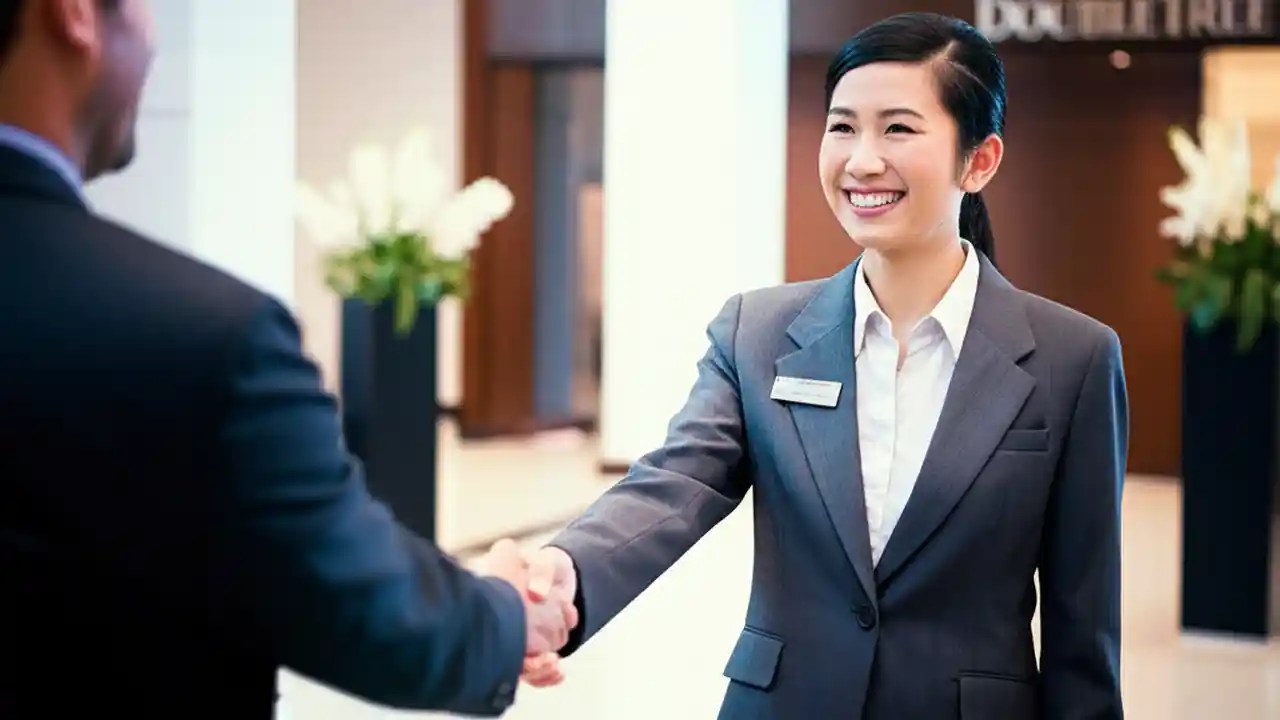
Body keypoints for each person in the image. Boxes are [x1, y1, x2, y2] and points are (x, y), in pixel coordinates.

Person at [516, 12, 1128, 720]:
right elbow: (673, 484)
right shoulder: (759, 332)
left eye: (898, 128)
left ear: (979, 160)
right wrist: (566, 574)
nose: (862, 159)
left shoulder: (1072, 358)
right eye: (842, 126)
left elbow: (1085, 633)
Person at [0, 0, 575, 716]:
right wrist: (508, 613)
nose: (155, 45)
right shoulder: (200, 337)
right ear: (75, 14)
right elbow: (371, 611)